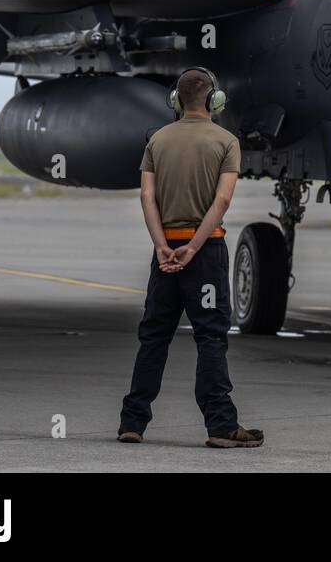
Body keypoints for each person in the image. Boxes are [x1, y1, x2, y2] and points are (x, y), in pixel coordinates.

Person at [116, 66, 264, 449]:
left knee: (153, 337)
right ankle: (220, 425)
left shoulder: (157, 140)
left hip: (163, 252)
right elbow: (223, 199)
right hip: (205, 253)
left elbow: (147, 197)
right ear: (215, 100)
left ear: (176, 100)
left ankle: (132, 423)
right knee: (211, 337)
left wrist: (163, 245)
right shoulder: (226, 141)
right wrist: (194, 247)